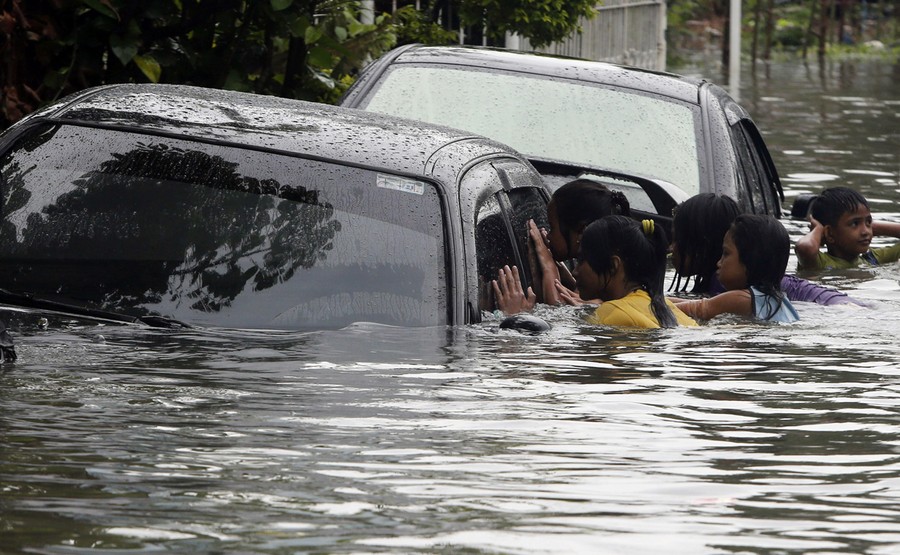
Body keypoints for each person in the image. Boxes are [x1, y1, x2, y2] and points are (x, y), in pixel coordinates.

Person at [671, 193, 864, 306]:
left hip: (840, 309)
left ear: (701, 245)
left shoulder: (724, 285)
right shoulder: (738, 279)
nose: (672, 248)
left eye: (677, 239)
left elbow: (696, 309)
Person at [492, 178, 631, 314]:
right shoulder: (606, 275)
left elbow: (559, 314)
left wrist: (548, 266)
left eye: (552, 228)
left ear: (581, 231)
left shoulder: (606, 289)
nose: (547, 236)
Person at [576, 215, 697, 328]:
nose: (574, 272)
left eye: (581, 260)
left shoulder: (611, 313)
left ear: (613, 265)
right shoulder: (670, 309)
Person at [676, 215, 799, 323]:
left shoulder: (742, 299)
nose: (719, 263)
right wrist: (659, 298)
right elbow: (698, 304)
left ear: (750, 260)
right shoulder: (778, 299)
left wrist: (657, 300)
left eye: (726, 253)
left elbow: (695, 309)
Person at [795, 186, 900, 271]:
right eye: (855, 223)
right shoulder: (819, 263)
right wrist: (818, 229)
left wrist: (873, 228)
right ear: (830, 234)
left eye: (868, 222)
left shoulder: (872, 259)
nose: (865, 232)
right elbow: (805, 248)